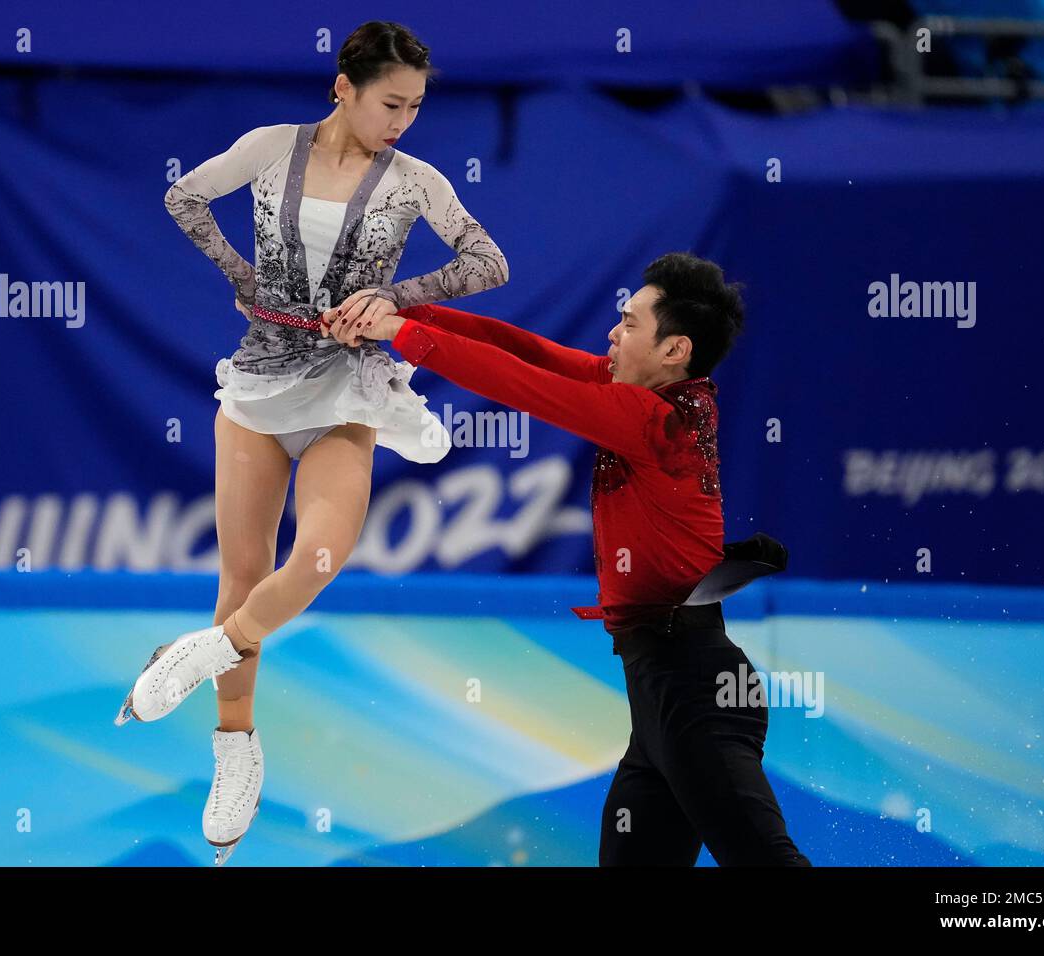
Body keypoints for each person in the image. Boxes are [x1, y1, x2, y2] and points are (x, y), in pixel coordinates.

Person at [115, 20, 510, 866]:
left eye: (415, 107)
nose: (403, 121)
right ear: (344, 87)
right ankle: (234, 749)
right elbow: (183, 197)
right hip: (260, 381)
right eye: (390, 104)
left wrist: (393, 299)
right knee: (243, 572)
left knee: (322, 557)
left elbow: (488, 261)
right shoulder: (268, 147)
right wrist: (238, 275)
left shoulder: (415, 182)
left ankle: (197, 656)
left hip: (347, 388)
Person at [326, 251, 811, 866]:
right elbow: (523, 351)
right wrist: (406, 308)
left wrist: (400, 333)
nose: (613, 331)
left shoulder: (653, 418)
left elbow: (520, 385)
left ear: (675, 350)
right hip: (667, 698)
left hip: (697, 694)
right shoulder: (642, 395)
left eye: (631, 323)